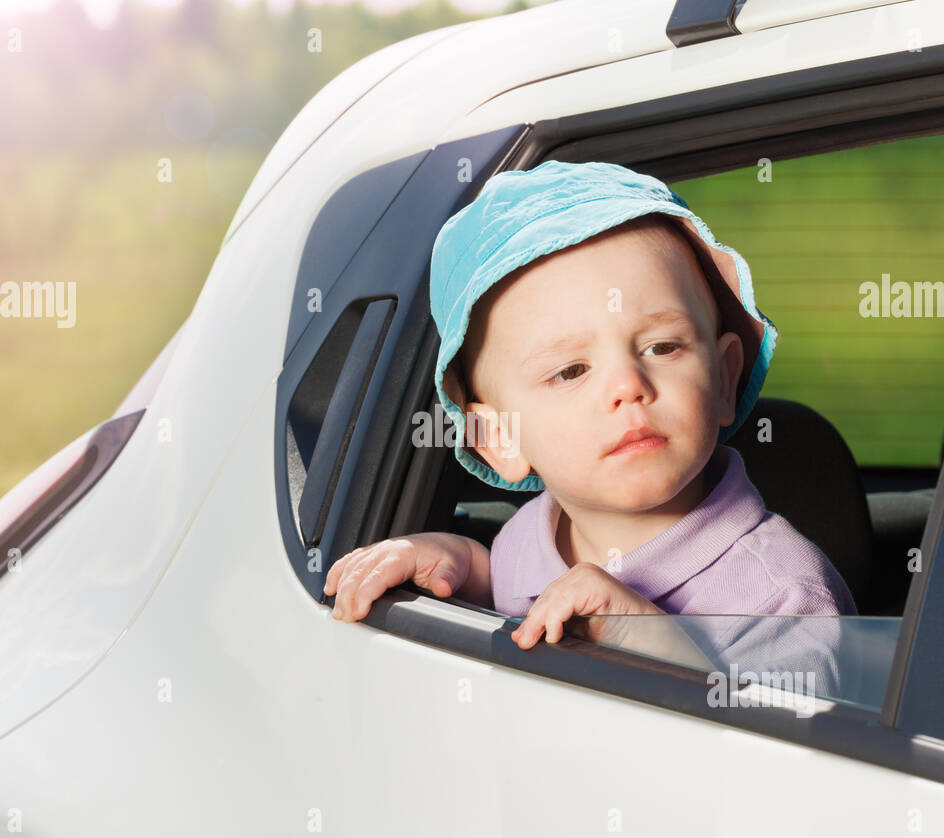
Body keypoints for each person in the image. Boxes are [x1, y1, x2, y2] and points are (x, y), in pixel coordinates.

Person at [324, 160, 855, 686]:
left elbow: (784, 755)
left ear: (723, 380)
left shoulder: (785, 593)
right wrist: (460, 561)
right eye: (571, 370)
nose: (629, 385)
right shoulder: (531, 536)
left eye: (662, 346)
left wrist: (645, 639)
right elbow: (511, 596)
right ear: (499, 438)